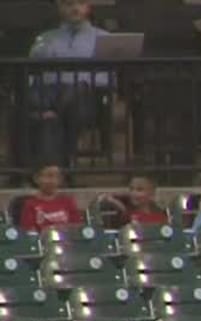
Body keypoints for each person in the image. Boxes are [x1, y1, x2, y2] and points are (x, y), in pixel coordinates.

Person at [27, 0, 112, 170]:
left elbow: (107, 78)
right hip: (49, 94)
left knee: (76, 89)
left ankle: (51, 112)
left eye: (80, 3)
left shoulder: (104, 38)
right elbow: (32, 72)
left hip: (88, 98)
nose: (75, 8)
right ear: (59, 8)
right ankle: (57, 172)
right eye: (68, 3)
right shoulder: (45, 38)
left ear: (88, 7)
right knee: (45, 114)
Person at [16, 163, 85, 232]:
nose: (53, 181)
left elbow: (76, 228)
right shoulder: (30, 204)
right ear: (36, 179)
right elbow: (29, 233)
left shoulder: (68, 202)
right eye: (49, 176)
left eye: (57, 177)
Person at [96, 175, 170, 228]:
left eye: (139, 190)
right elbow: (101, 198)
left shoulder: (159, 213)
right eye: (131, 189)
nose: (133, 193)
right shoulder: (123, 210)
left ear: (152, 193)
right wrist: (119, 204)